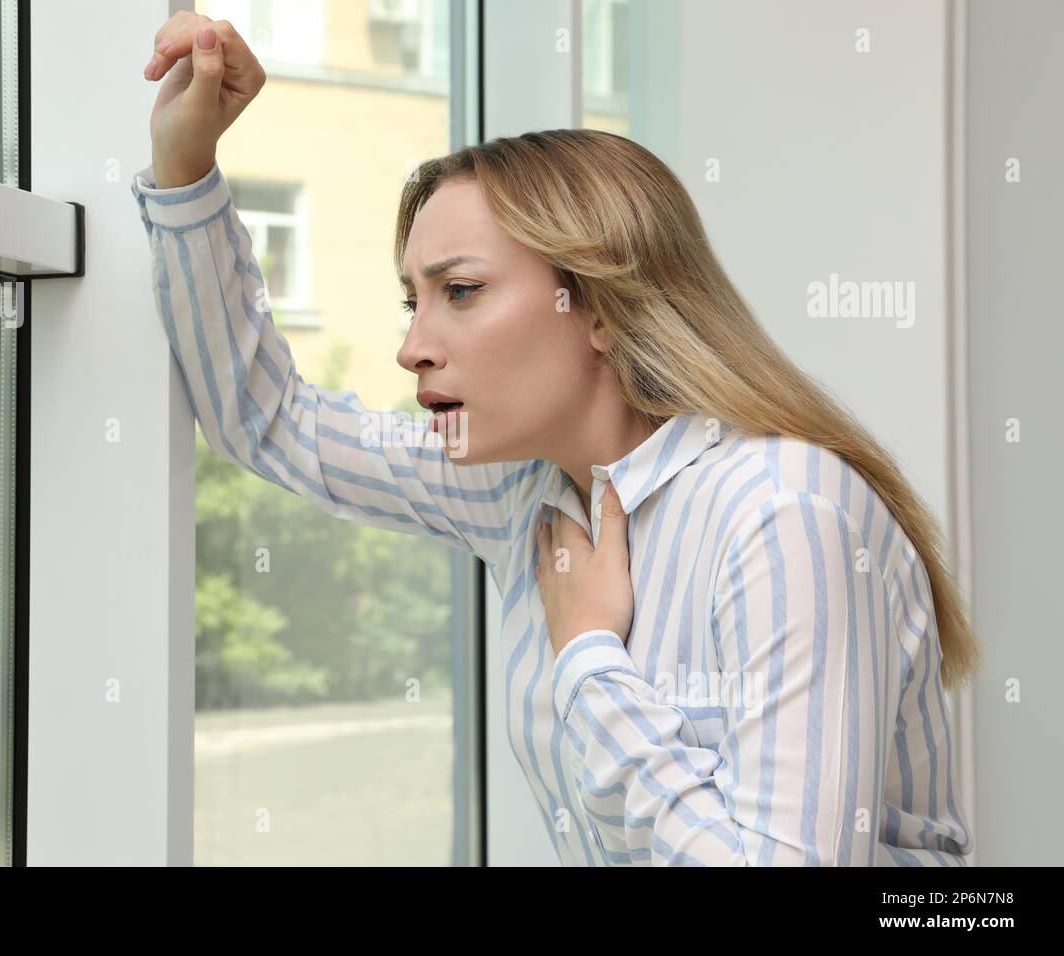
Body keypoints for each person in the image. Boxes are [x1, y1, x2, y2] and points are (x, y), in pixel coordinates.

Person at [136, 12, 978, 866]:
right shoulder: (525, 488)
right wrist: (185, 165)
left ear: (603, 308)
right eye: (411, 301)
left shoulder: (783, 515)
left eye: (460, 291)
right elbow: (270, 419)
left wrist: (588, 658)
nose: (411, 345)